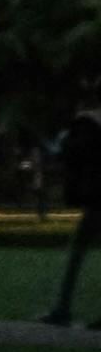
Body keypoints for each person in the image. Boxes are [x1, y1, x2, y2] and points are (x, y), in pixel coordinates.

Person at [49, 91, 101, 329]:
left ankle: (63, 308)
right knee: (77, 250)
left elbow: (71, 153)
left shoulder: (89, 123)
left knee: (78, 251)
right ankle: (62, 307)